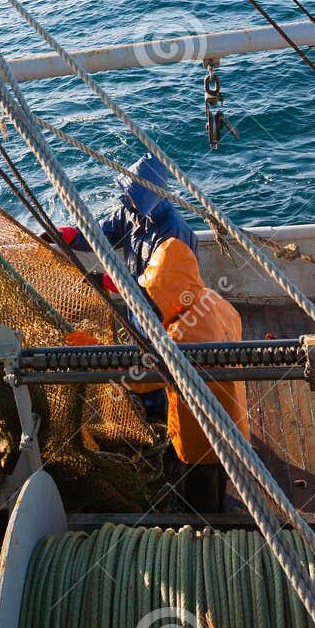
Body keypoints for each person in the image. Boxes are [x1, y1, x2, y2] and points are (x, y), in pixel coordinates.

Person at [130, 238, 248, 514]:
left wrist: (95, 351)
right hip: (233, 422)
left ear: (169, 289)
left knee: (199, 505)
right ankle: (220, 509)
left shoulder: (181, 336)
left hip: (199, 438)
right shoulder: (213, 300)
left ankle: (206, 542)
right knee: (220, 477)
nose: (154, 297)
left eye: (156, 290)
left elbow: (141, 380)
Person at [99, 153, 196, 280]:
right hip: (136, 296)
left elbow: (165, 281)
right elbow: (101, 233)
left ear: (143, 195)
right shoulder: (129, 213)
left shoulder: (174, 231)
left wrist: (116, 281)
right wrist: (73, 235)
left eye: (130, 192)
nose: (126, 195)